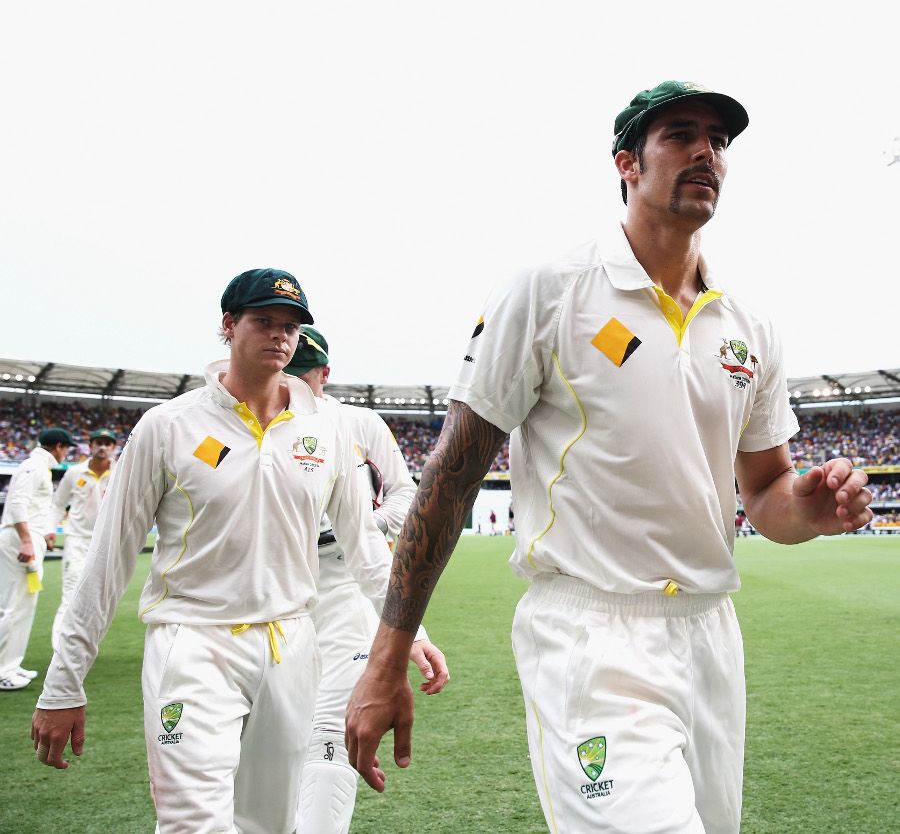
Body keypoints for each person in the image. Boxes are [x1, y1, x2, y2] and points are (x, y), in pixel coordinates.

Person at [346, 81, 874, 833]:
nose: (705, 152)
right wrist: (386, 655)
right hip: (591, 634)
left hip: (710, 633)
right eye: (680, 134)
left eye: (719, 141)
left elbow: (766, 493)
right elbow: (451, 480)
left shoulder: (748, 325)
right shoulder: (551, 293)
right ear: (626, 162)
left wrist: (809, 509)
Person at [30, 268, 413, 834]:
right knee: (193, 822)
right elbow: (108, 564)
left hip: (290, 643)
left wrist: (415, 637)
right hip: (194, 642)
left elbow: (368, 552)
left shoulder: (327, 431)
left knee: (269, 823)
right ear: (228, 325)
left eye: (290, 326)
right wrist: (65, 681)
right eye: (264, 321)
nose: (280, 336)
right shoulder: (169, 426)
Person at [285, 326, 447, 834]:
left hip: (350, 586)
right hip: (276, 590)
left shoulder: (360, 424)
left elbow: (405, 495)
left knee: (333, 728)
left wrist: (355, 528)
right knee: (273, 735)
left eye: (300, 375)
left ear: (324, 375)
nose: (288, 384)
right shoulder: (251, 425)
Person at [0, 427, 77, 691]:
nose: (65, 452)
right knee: (13, 605)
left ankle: (11, 664)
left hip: (29, 538)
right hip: (21, 539)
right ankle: (2, 670)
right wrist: (25, 539)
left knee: (25, 604)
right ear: (58, 446)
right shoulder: (33, 466)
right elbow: (18, 505)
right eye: (66, 448)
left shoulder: (37, 467)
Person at [50, 427, 118, 652]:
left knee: (99, 598)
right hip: (77, 540)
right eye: (98, 442)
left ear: (113, 448)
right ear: (90, 446)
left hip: (106, 543)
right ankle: (60, 650)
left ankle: (82, 647)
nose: (103, 447)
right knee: (70, 593)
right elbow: (58, 504)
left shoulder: (120, 472)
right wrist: (50, 529)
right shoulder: (74, 472)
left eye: (108, 443)